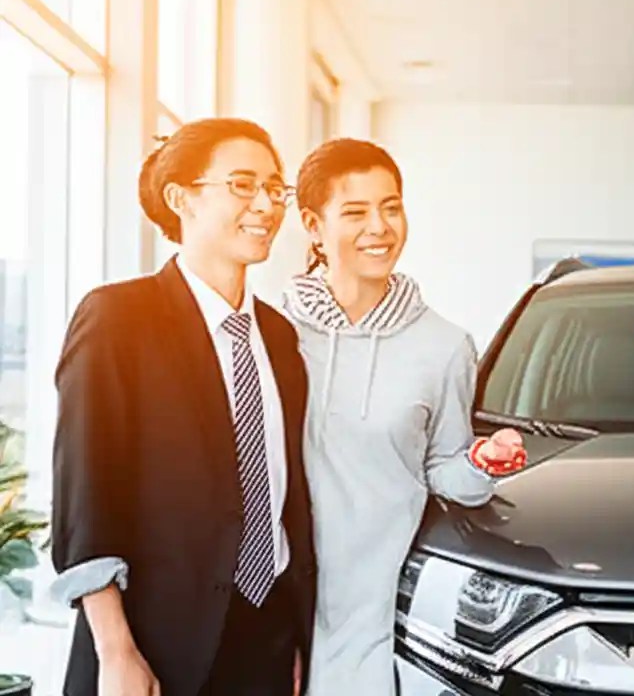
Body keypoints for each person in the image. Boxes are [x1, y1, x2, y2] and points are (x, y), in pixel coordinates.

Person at [50, 117, 318, 695]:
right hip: (153, 641)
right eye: (242, 185)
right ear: (182, 199)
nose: (266, 205)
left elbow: (286, 492)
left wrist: (294, 636)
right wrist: (115, 652)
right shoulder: (119, 319)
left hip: (265, 636)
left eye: (275, 189)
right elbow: (86, 495)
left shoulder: (277, 335)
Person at [281, 137, 526, 694]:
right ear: (313, 226)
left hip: (378, 617)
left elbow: (442, 470)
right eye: (356, 211)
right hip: (278, 606)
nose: (379, 227)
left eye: (391, 207)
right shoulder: (274, 332)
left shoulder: (443, 346)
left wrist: (483, 462)